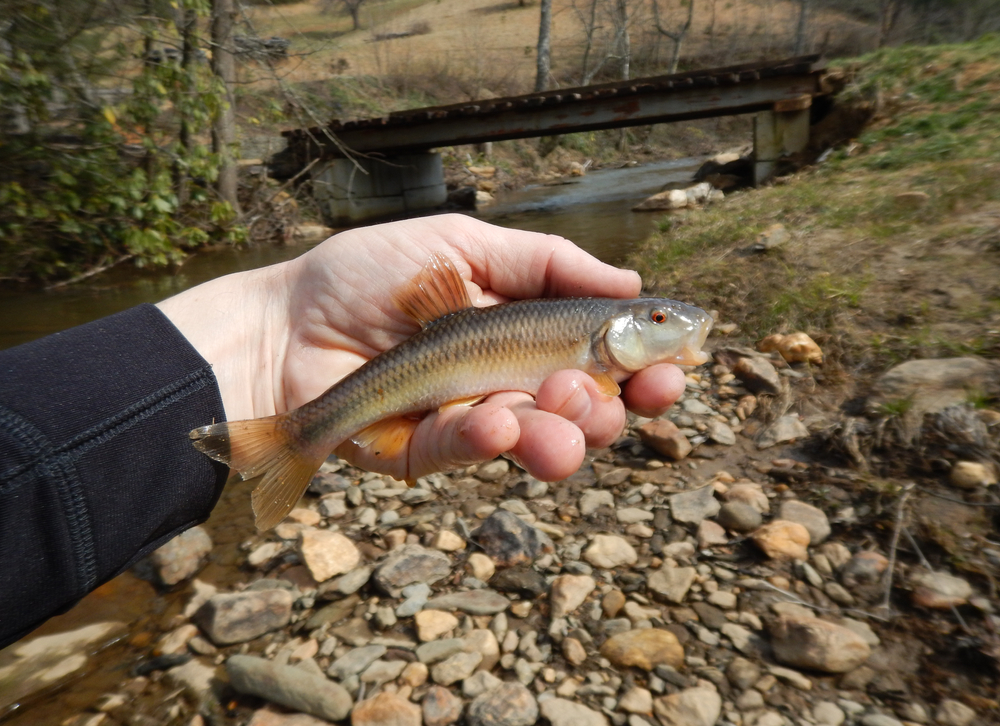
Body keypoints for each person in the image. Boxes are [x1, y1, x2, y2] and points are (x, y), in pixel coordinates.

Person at [0, 215, 685, 648]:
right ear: (619, 326)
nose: (673, 326)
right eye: (657, 318)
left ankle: (296, 437)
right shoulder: (588, 337)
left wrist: (275, 323)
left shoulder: (591, 346)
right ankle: (299, 436)